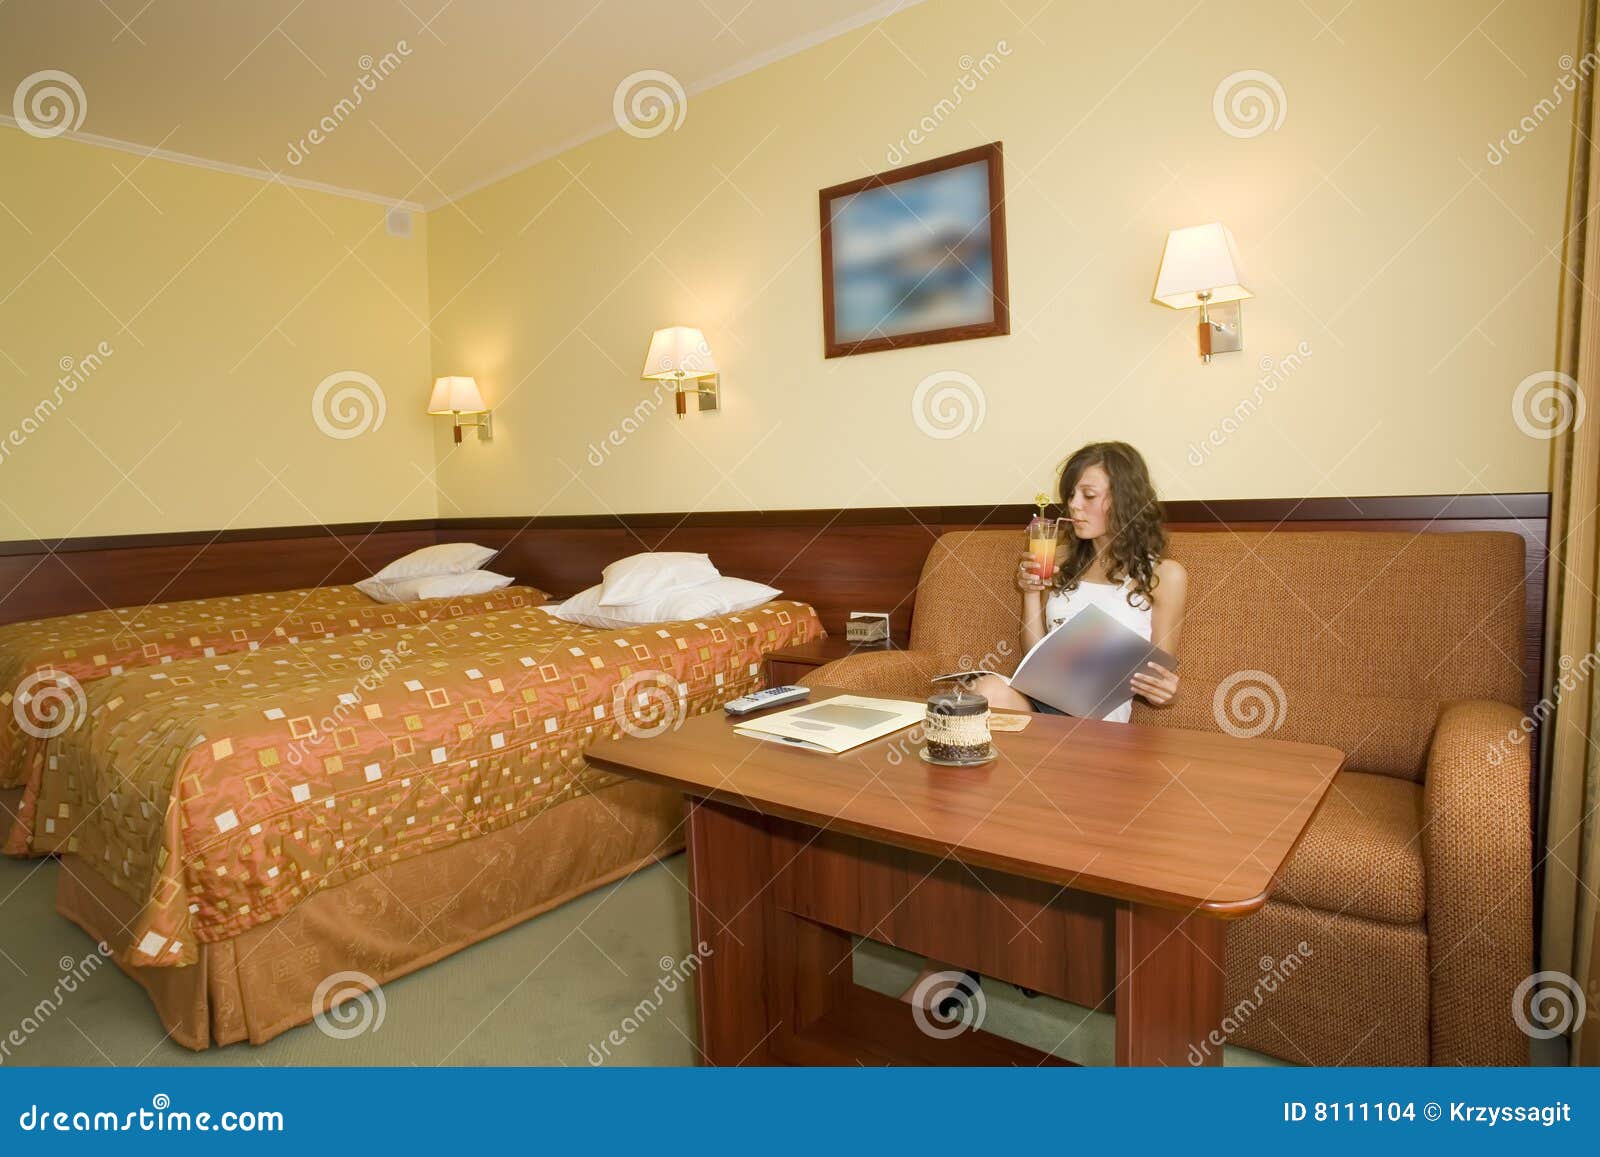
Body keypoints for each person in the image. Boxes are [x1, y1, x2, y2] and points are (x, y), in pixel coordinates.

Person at [900, 442, 1188, 1017]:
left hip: (1101, 728)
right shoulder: (1062, 562)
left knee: (1004, 782)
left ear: (1123, 498)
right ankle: (954, 950)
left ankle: (980, 953)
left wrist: (1166, 688)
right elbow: (1034, 653)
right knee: (984, 694)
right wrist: (1032, 596)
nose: (1074, 507)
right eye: (1070, 495)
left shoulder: (1165, 576)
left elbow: (1162, 670)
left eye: (1088, 495)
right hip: (1043, 708)